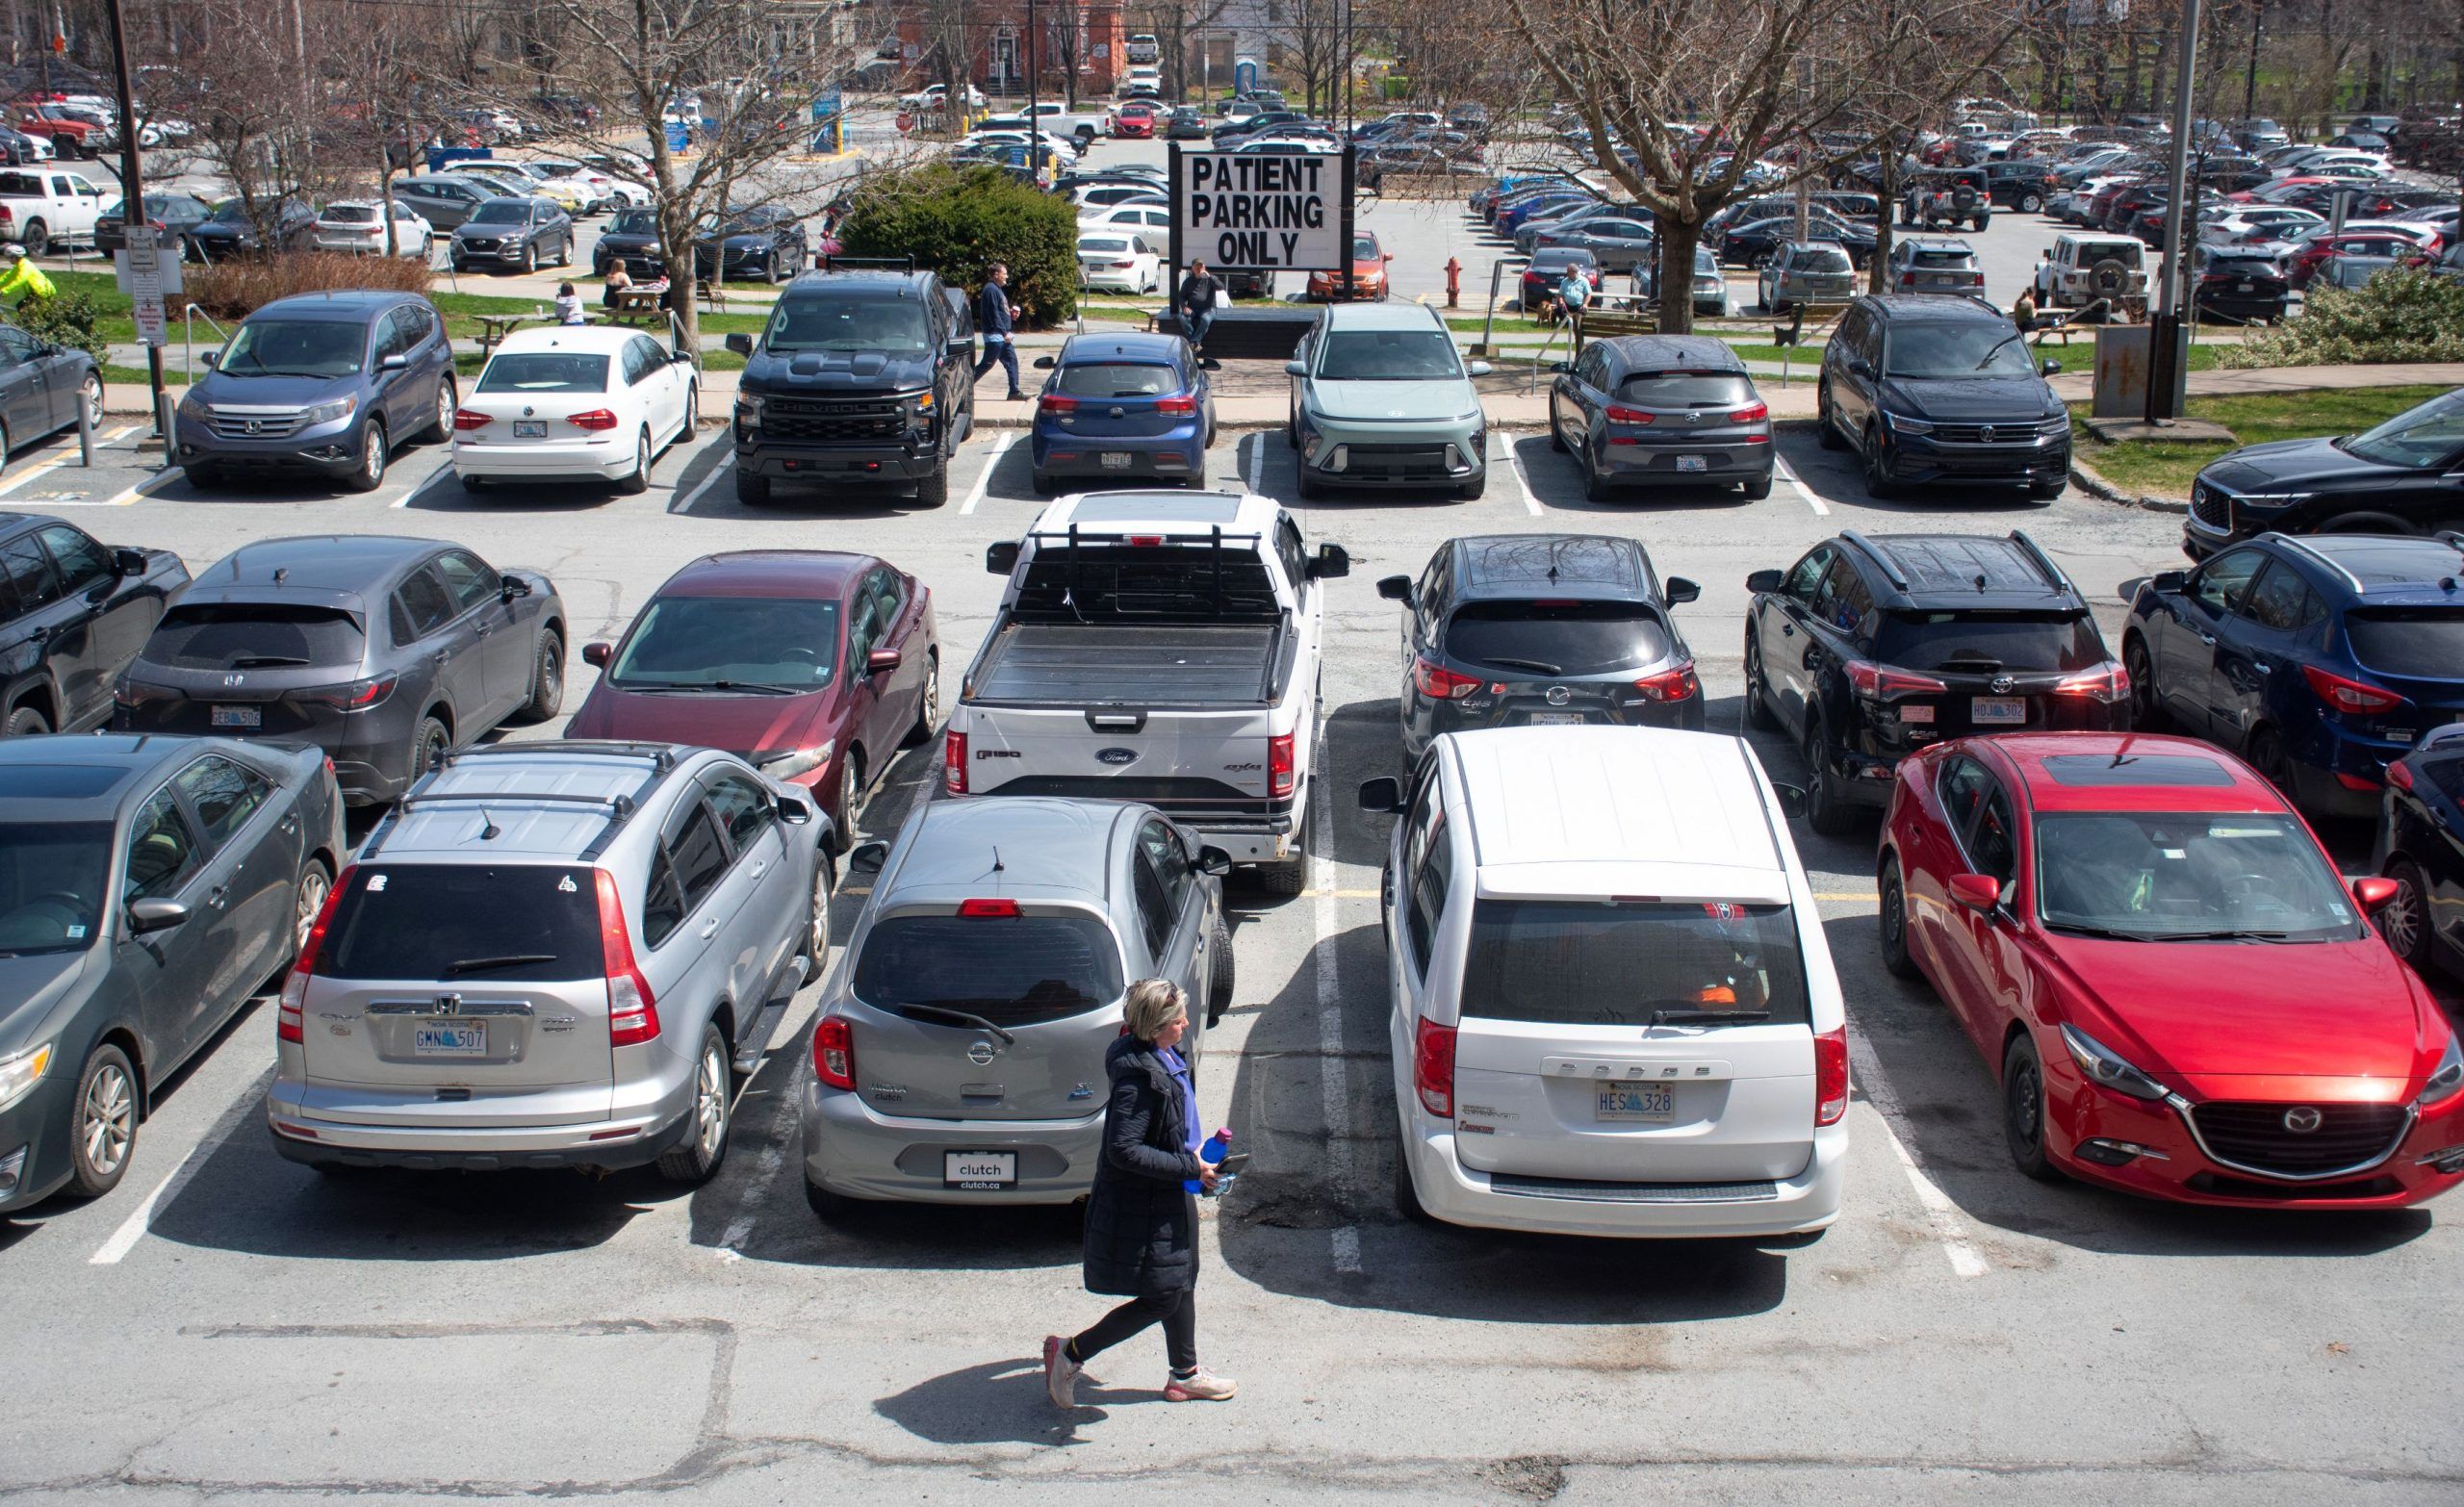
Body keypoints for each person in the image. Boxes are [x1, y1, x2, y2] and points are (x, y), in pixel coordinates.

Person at [1043, 980, 1237, 1408]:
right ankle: (1070, 1353)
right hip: (1143, 1204)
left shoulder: (1163, 1055)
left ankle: (1184, 1374)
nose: (1186, 1023)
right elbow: (1123, 1149)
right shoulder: (1138, 1078)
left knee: (1183, 1278)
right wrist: (1190, 1166)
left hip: (1170, 1189)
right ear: (1153, 1027)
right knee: (1162, 1295)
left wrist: (1199, 1164)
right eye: (1177, 1019)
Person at [973, 261, 1021, 399]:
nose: (1006, 276)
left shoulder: (996, 289)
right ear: (996, 274)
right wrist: (1004, 331)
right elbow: (992, 314)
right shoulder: (990, 290)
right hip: (996, 336)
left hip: (1002, 337)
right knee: (987, 364)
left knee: (1012, 361)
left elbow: (1000, 311)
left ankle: (1014, 392)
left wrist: (1010, 315)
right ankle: (965, 387)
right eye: (1004, 274)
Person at [1176, 259, 1225, 354]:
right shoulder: (1188, 281)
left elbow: (1221, 287)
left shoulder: (1211, 279)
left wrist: (1210, 277)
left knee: (1206, 319)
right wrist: (1184, 307)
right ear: (1192, 269)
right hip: (1193, 308)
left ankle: (1193, 343)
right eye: (1197, 266)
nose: (1199, 269)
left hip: (1209, 308)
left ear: (1204, 267)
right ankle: (1195, 343)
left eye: (1201, 266)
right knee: (1182, 318)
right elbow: (1181, 296)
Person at [0, 243, 53, 308]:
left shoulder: (25, 266)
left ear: (14, 257)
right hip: (35, 293)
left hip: (42, 293)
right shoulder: (19, 266)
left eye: (9, 257)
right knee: (21, 307)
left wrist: (4, 291)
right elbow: (8, 277)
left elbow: (19, 281)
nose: (9, 260)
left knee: (22, 307)